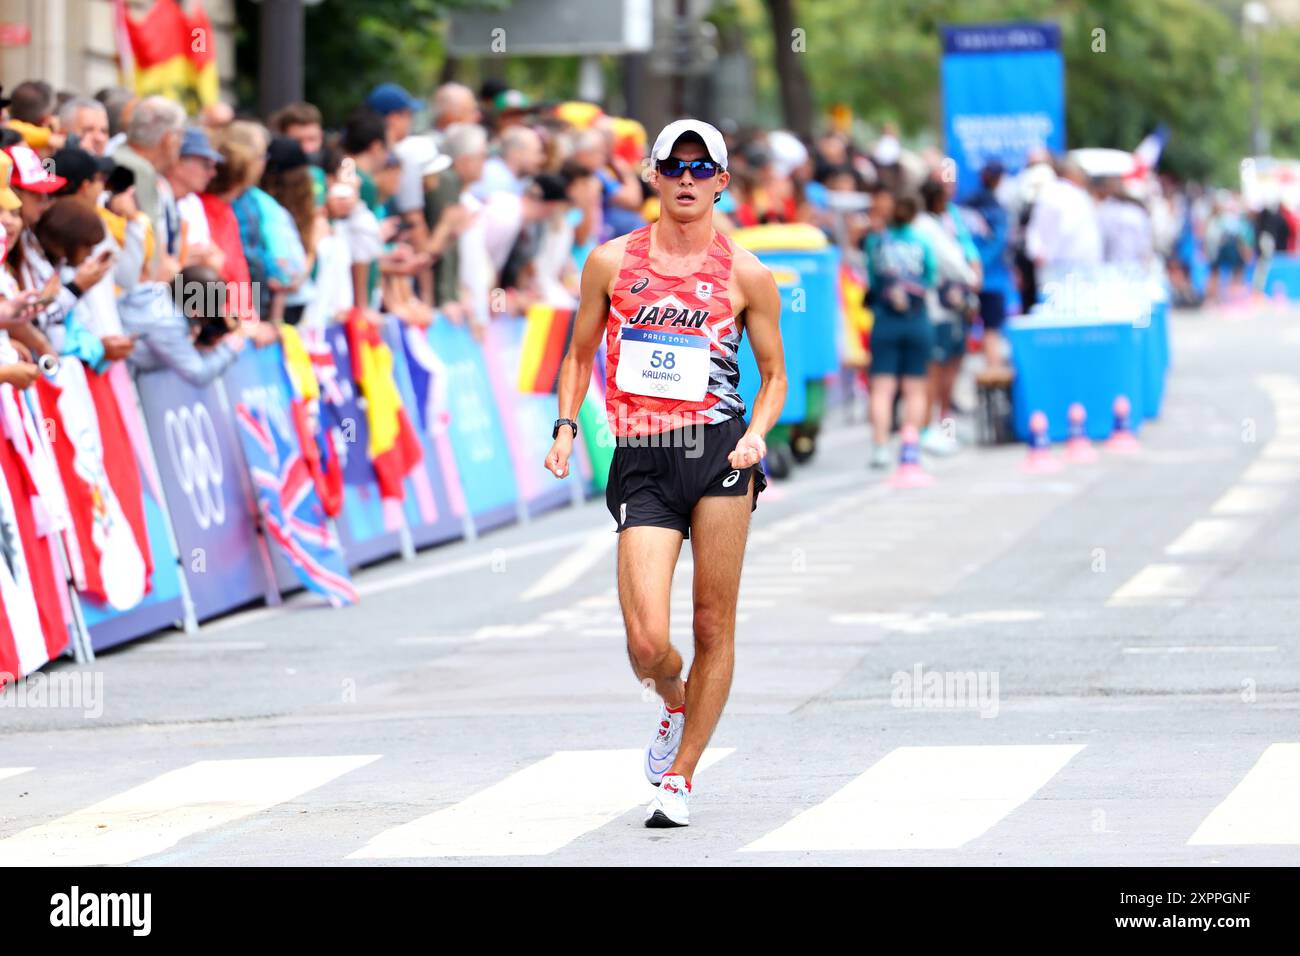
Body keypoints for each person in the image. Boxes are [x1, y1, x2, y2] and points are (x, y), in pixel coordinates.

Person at [544, 119, 786, 828]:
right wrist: (564, 426)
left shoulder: (746, 273)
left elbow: (773, 376)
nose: (686, 178)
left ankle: (679, 779)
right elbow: (577, 356)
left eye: (700, 167)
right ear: (653, 176)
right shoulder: (610, 263)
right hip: (643, 455)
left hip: (720, 452)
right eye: (673, 167)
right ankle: (672, 701)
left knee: (713, 621)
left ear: (721, 181)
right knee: (647, 642)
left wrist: (758, 436)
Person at [864, 186, 935, 468]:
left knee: (882, 388)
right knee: (915, 388)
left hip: (885, 321)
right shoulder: (923, 241)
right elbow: (931, 277)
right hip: (918, 321)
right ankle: (910, 444)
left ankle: (880, 447)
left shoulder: (876, 242)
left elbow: (871, 278)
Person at [122, 264, 247, 385]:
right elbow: (198, 374)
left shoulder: (155, 289)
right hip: (110, 369)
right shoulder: (169, 324)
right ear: (197, 310)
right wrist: (229, 349)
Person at [110, 96, 186, 272]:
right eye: (180, 135)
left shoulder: (119, 156)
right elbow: (150, 255)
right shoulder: (138, 170)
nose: (181, 143)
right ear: (169, 139)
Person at [963, 162, 1012, 369]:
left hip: (967, 278)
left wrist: (971, 265)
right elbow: (1000, 243)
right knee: (992, 332)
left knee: (963, 337)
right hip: (990, 280)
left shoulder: (964, 205)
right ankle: (994, 382)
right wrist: (979, 264)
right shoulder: (996, 209)